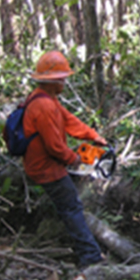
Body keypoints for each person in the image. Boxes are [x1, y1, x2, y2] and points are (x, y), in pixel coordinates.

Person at [20, 51, 109, 268]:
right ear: (53, 80)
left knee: (69, 204)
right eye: (62, 78)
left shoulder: (46, 98)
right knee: (71, 207)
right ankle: (91, 257)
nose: (65, 82)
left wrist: (94, 136)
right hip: (45, 167)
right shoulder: (44, 106)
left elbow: (69, 121)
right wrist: (75, 159)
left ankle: (86, 250)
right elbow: (54, 147)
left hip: (46, 162)